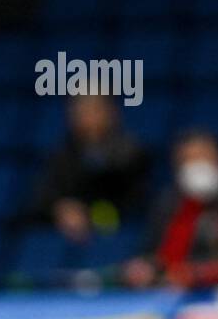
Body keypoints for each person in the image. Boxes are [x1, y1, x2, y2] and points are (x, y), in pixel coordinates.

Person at [33, 95, 150, 244]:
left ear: (111, 113)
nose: (86, 117)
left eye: (93, 110)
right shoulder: (61, 155)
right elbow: (43, 196)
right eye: (79, 111)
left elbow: (133, 202)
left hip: (117, 237)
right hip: (67, 237)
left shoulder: (131, 152)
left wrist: (88, 214)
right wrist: (60, 207)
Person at [124, 131, 218, 290]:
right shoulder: (168, 202)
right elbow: (153, 251)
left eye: (202, 157)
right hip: (171, 291)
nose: (197, 166)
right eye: (188, 160)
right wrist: (145, 267)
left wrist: (199, 273)